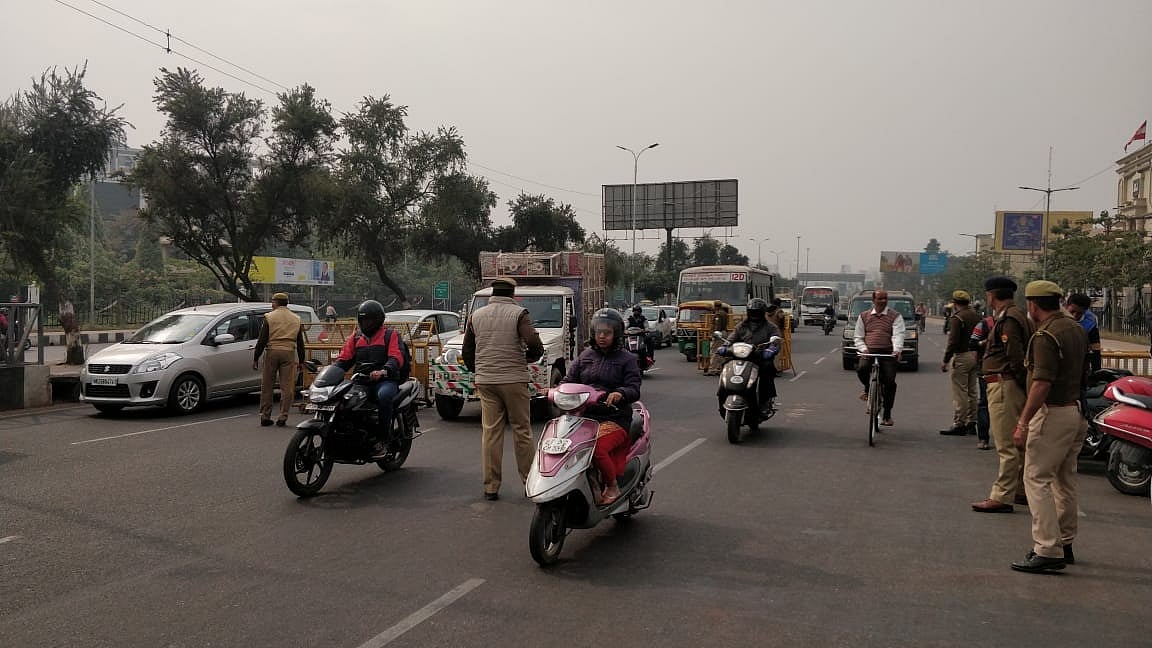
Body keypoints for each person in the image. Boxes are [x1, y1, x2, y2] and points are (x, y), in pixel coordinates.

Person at [1010, 280, 1087, 573]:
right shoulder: (1075, 329)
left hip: (1052, 413)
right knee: (1064, 480)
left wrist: (1023, 422)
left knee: (1036, 478)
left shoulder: (1045, 335)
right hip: (1075, 411)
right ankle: (1064, 542)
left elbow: (1041, 383)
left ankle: (1046, 548)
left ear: (1032, 304)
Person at [461, 277, 545, 501]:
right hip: (514, 380)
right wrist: (528, 358)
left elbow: (466, 351)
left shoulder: (476, 316)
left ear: (492, 294)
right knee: (522, 430)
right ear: (512, 293)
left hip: (486, 381)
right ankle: (529, 482)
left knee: (491, 432)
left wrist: (478, 370)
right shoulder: (519, 314)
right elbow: (534, 343)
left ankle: (491, 487)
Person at [562, 308, 642, 505]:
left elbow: (634, 388)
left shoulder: (628, 359)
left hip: (614, 419)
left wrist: (620, 393)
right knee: (560, 445)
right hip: (583, 417)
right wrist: (555, 390)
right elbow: (568, 380)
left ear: (616, 334)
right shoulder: (585, 356)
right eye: (599, 332)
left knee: (596, 450)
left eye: (607, 332)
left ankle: (612, 484)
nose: (602, 336)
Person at [972, 276, 1033, 513]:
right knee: (1017, 445)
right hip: (1007, 384)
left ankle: (1002, 495)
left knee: (1006, 444)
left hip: (1004, 384)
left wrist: (1020, 384)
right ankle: (1019, 490)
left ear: (992, 295)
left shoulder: (1009, 318)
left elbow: (1015, 358)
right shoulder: (1016, 315)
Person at [333, 300, 405, 451]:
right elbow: (344, 359)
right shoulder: (356, 337)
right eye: (364, 320)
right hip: (361, 382)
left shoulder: (390, 335)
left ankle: (383, 438)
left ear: (378, 320)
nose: (366, 323)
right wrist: (329, 371)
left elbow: (396, 357)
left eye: (370, 320)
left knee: (385, 396)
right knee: (345, 401)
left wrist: (384, 371)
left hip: (385, 381)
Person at [716, 298, 781, 418]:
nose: (754, 315)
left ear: (762, 312)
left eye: (757, 312)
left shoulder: (770, 327)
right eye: (752, 312)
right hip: (740, 356)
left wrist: (771, 349)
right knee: (725, 366)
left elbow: (776, 340)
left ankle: (765, 401)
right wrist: (724, 347)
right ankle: (722, 394)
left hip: (759, 358)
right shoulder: (742, 326)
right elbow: (731, 338)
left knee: (767, 368)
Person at [252, 293, 305, 427]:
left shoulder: (269, 317)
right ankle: (283, 415)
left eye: (272, 301)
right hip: (289, 352)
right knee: (287, 386)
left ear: (276, 302)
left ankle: (265, 415)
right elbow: (300, 342)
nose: (271, 304)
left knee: (267, 385)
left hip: (272, 352)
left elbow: (262, 339)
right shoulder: (296, 318)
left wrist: (256, 357)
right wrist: (302, 360)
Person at [854, 289, 905, 427]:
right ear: (873, 300)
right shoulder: (863, 316)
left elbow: (898, 334)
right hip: (869, 352)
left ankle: (887, 414)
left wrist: (897, 350)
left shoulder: (895, 316)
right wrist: (863, 349)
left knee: (889, 382)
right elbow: (858, 337)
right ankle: (867, 389)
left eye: (885, 299)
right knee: (862, 369)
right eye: (880, 299)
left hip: (887, 353)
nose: (883, 301)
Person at [940, 290, 982, 436]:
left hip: (962, 356)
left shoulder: (958, 318)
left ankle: (959, 423)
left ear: (955, 304)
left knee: (960, 392)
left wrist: (945, 360)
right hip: (975, 356)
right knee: (972, 391)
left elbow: (953, 342)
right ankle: (972, 422)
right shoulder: (977, 316)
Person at [969, 310, 997, 450]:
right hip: (986, 370)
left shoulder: (1014, 323)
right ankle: (983, 438)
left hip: (1007, 372)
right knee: (985, 403)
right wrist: (985, 342)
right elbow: (973, 344)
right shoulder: (984, 324)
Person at [1065, 293, 1101, 374]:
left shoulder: (1090, 323)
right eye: (1072, 311)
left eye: (1079, 313)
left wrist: (1097, 373)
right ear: (1066, 306)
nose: (1074, 315)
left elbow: (1095, 351)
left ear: (1085, 311)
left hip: (1080, 367)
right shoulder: (1057, 318)